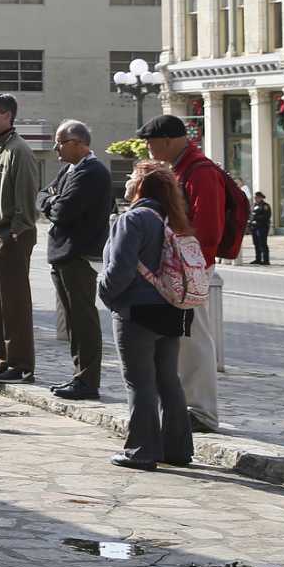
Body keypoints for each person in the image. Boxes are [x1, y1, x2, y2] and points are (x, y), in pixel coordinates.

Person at [99, 161, 195, 470]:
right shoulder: (172, 219)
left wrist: (105, 291)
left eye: (131, 177)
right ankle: (177, 449)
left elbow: (120, 270)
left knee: (139, 382)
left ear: (141, 184)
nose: (126, 182)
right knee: (169, 380)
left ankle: (140, 451)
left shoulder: (133, 219)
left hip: (136, 311)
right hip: (171, 309)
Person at [138, 114, 227, 433]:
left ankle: (201, 410)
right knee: (181, 338)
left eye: (149, 141)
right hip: (181, 265)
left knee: (195, 337)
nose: (147, 148)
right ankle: (183, 405)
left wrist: (192, 267)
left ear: (166, 141)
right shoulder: (179, 169)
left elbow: (209, 226)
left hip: (192, 266)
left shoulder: (201, 172)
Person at [39, 120, 113, 401]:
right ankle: (78, 374)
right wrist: (53, 200)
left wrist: (54, 203)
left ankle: (87, 380)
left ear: (79, 143)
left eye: (61, 142)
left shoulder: (92, 173)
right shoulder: (70, 169)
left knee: (83, 319)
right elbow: (43, 196)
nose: (56, 147)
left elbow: (63, 212)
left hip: (79, 254)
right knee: (72, 320)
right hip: (62, 254)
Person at [0, 93, 40, 383]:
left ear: (7, 115)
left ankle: (21, 363)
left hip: (11, 233)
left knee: (14, 301)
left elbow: (26, 196)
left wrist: (16, 230)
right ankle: (3, 359)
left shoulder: (19, 150)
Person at [249, 190, 272, 265]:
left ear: (261, 198)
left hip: (262, 227)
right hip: (254, 227)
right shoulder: (254, 205)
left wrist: (256, 218)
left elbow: (266, 216)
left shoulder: (265, 206)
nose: (256, 199)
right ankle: (258, 259)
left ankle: (266, 260)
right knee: (256, 243)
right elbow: (251, 215)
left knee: (263, 243)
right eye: (255, 197)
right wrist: (250, 222)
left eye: (257, 197)